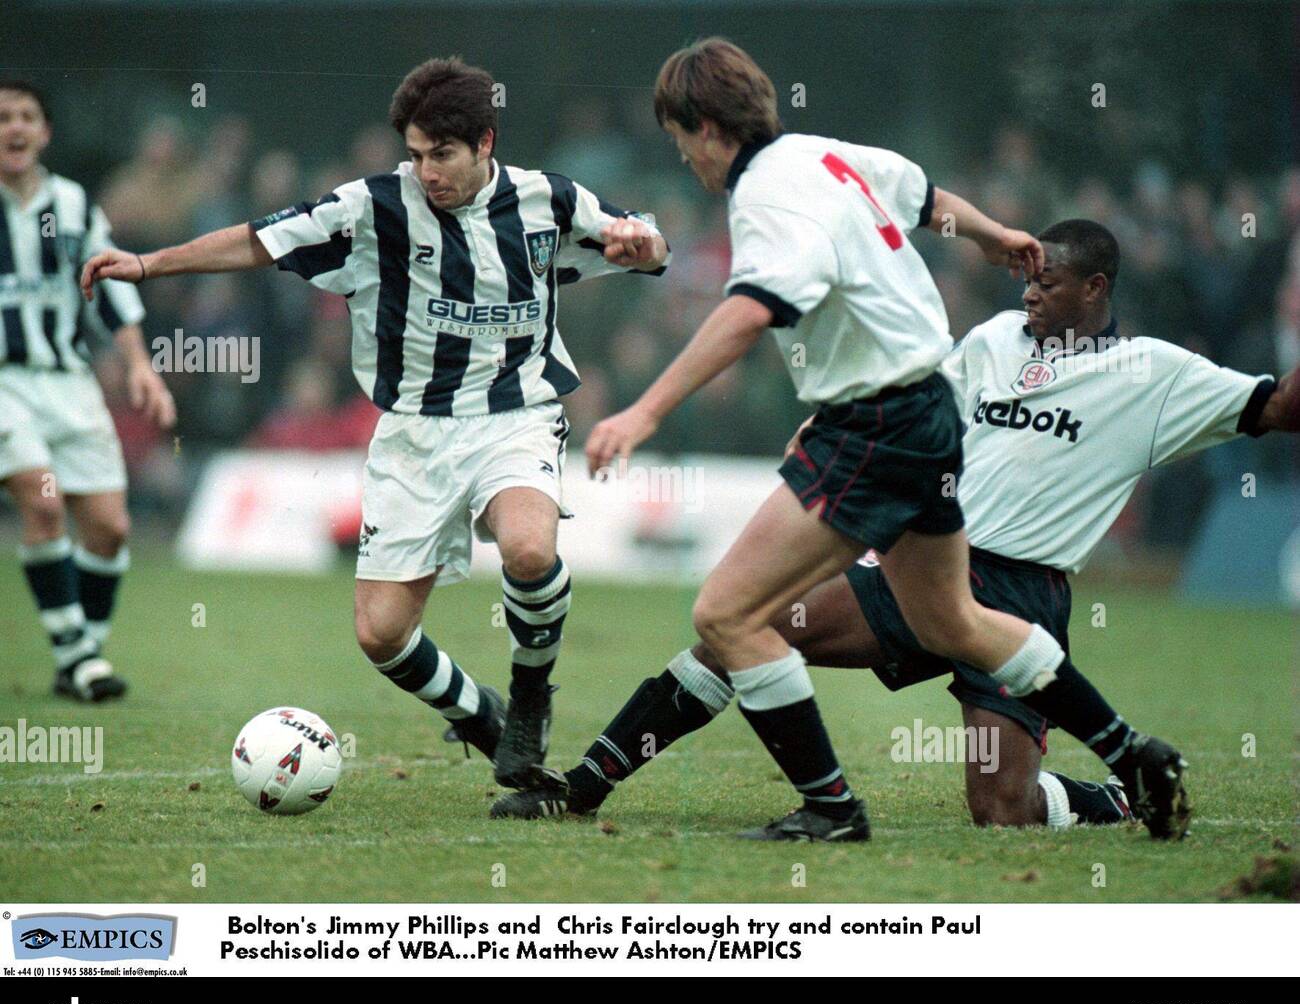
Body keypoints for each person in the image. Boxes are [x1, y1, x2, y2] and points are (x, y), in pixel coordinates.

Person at [522, 37, 1195, 842]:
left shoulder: (765, 196)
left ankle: (832, 807)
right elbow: (924, 195)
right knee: (956, 622)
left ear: (705, 128)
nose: (685, 159)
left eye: (678, 140)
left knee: (730, 612)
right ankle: (1137, 756)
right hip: (929, 415)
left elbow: (749, 311)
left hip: (876, 423)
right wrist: (987, 234)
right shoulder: (821, 153)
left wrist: (645, 411)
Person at [494, 219, 1300, 831]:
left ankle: (1121, 797)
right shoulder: (992, 341)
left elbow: (1276, 407)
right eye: (1026, 278)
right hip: (924, 563)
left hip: (1018, 595)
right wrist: (829, 428)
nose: (1028, 292)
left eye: (1048, 282)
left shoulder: (1156, 375)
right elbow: (909, 403)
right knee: (745, 624)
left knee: (1003, 808)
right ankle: (586, 784)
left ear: (1096, 290)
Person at [82, 57, 669, 786]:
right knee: (382, 635)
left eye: (443, 155)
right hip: (414, 433)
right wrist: (146, 265)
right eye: (416, 155)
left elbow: (640, 236)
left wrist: (649, 243)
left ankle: (527, 701)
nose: (426, 172)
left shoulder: (548, 199)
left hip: (515, 415)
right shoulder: (372, 206)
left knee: (526, 550)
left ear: (486, 143)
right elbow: (259, 240)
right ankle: (480, 715)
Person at [0, 80, 176, 701]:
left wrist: (139, 365)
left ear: (45, 132)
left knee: (108, 528)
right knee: (45, 504)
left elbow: (110, 285)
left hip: (68, 384)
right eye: (2, 117)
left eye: (26, 116)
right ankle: (80, 657)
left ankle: (79, 662)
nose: (14, 127)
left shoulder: (71, 205)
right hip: (4, 388)